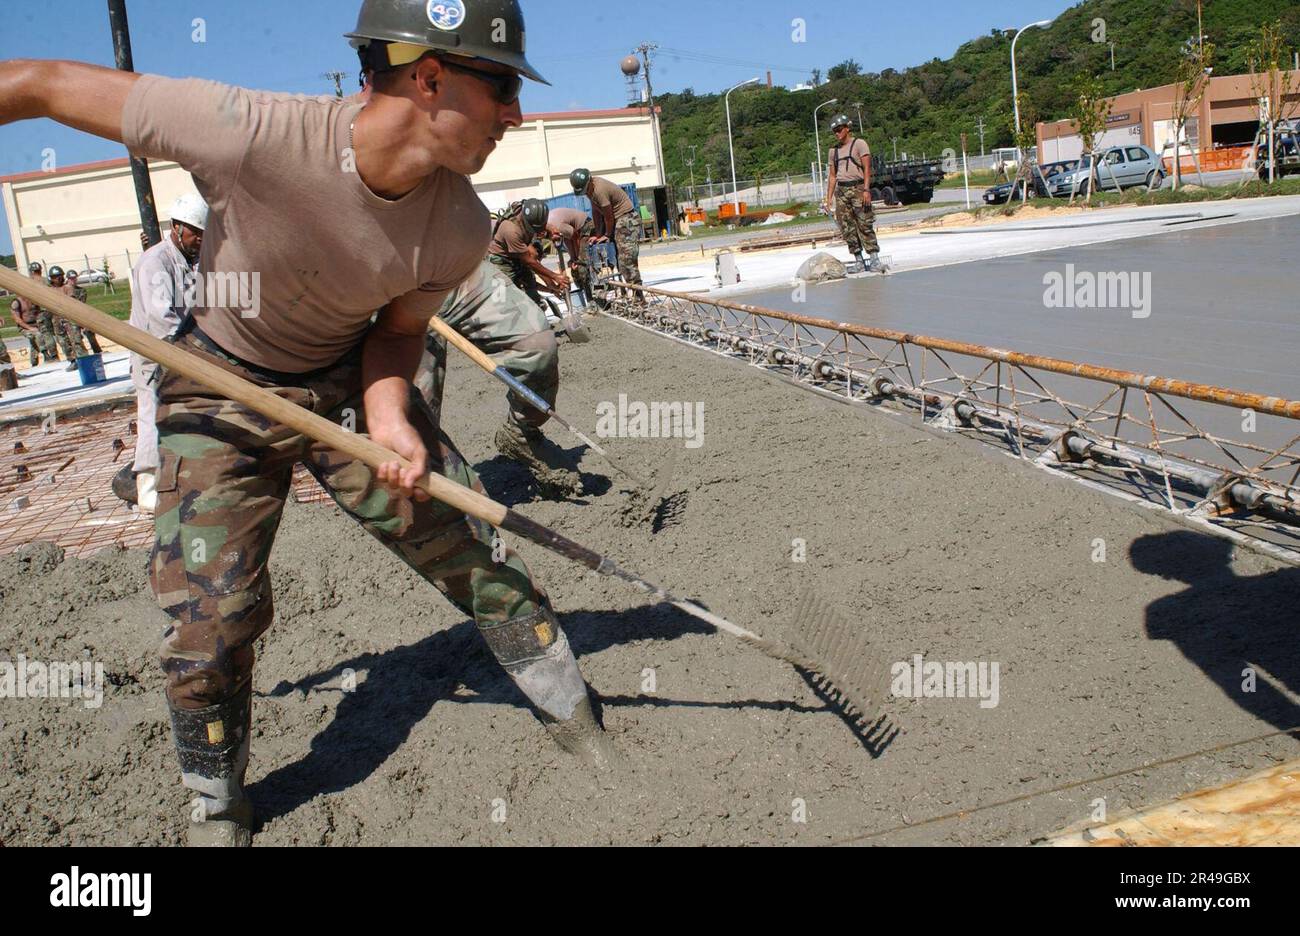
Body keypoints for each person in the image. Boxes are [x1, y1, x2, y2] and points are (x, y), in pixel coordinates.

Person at [0, 0, 612, 847]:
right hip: (218, 388)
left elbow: (397, 332)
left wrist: (392, 413)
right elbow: (39, 80)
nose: (517, 113)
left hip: (339, 385)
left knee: (470, 547)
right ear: (430, 77)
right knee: (209, 624)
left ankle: (577, 716)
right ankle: (218, 804)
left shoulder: (461, 223)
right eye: (502, 86)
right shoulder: (251, 134)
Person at [418, 260, 583, 499]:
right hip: (379, 288)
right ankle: (443, 498)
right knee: (412, 422)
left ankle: (520, 433)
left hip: (446, 257)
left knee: (536, 347)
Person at [112, 192, 208, 512]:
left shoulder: (188, 263)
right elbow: (161, 320)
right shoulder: (155, 261)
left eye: (203, 234)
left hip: (179, 352)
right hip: (154, 354)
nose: (199, 239)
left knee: (183, 414)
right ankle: (147, 488)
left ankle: (183, 475)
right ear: (176, 227)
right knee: (152, 413)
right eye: (196, 232)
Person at [570, 168, 643, 302]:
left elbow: (608, 216)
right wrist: (598, 234)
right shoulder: (589, 190)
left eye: (586, 189)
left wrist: (607, 235)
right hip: (616, 220)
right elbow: (596, 212)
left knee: (626, 261)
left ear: (590, 181)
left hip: (626, 219)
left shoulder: (599, 189)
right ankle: (627, 294)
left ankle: (639, 298)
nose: (585, 192)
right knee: (616, 260)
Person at [824, 114, 884, 274]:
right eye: (834, 131)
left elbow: (867, 169)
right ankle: (858, 260)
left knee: (864, 223)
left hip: (857, 189)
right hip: (841, 191)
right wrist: (828, 199)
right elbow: (832, 176)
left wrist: (866, 190)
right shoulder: (833, 151)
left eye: (839, 129)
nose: (837, 133)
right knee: (847, 227)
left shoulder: (859, 144)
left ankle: (874, 259)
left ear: (847, 128)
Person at [488, 197, 568, 308]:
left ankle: (534, 312)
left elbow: (533, 267)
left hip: (517, 254)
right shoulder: (511, 230)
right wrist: (554, 276)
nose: (538, 260)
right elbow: (530, 262)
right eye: (538, 258)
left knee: (530, 287)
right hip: (501, 261)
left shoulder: (533, 218)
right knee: (506, 298)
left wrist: (551, 233)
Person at [9, 261, 57, 366]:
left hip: (36, 324)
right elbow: (18, 320)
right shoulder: (16, 303)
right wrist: (30, 328)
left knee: (41, 337)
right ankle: (46, 355)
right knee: (37, 335)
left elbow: (39, 312)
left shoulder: (33, 300)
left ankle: (37, 361)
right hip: (25, 327)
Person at [546, 205, 595, 302]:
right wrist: (572, 258)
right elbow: (568, 239)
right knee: (574, 266)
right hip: (574, 232)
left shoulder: (558, 227)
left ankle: (592, 300)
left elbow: (575, 236)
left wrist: (577, 258)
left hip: (586, 226)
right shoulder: (551, 228)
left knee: (581, 266)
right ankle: (584, 295)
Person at [45, 266, 87, 369]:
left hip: (69, 317)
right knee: (62, 341)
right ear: (51, 278)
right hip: (56, 319)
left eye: (59, 276)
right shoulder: (49, 290)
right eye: (55, 277)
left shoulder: (67, 288)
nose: (58, 278)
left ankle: (83, 359)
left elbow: (71, 302)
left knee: (76, 339)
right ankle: (72, 360)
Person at [62, 270, 102, 353]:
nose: (73, 280)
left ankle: (97, 350)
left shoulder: (81, 290)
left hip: (80, 314)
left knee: (89, 331)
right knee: (75, 337)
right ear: (68, 279)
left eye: (74, 278)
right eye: (71, 279)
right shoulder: (63, 290)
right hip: (68, 316)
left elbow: (81, 304)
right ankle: (80, 353)